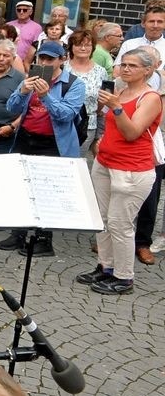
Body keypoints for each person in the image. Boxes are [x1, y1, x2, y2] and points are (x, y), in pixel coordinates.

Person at [75, 47, 162, 295]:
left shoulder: (151, 98)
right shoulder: (120, 92)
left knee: (120, 223)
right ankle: (106, 266)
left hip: (132, 170)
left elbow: (132, 132)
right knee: (102, 220)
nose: (125, 69)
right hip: (105, 163)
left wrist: (116, 107)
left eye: (132, 66)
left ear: (148, 70)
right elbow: (108, 123)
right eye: (123, 64)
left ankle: (124, 277)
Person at [0, 40, 85, 256]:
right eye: (41, 58)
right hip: (26, 137)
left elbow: (66, 115)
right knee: (22, 186)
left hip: (53, 143)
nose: (44, 62)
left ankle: (44, 240)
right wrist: (23, 91)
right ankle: (18, 233)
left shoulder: (74, 84)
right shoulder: (31, 78)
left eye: (50, 59)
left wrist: (45, 96)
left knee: (48, 192)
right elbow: (11, 107)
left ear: (62, 60)